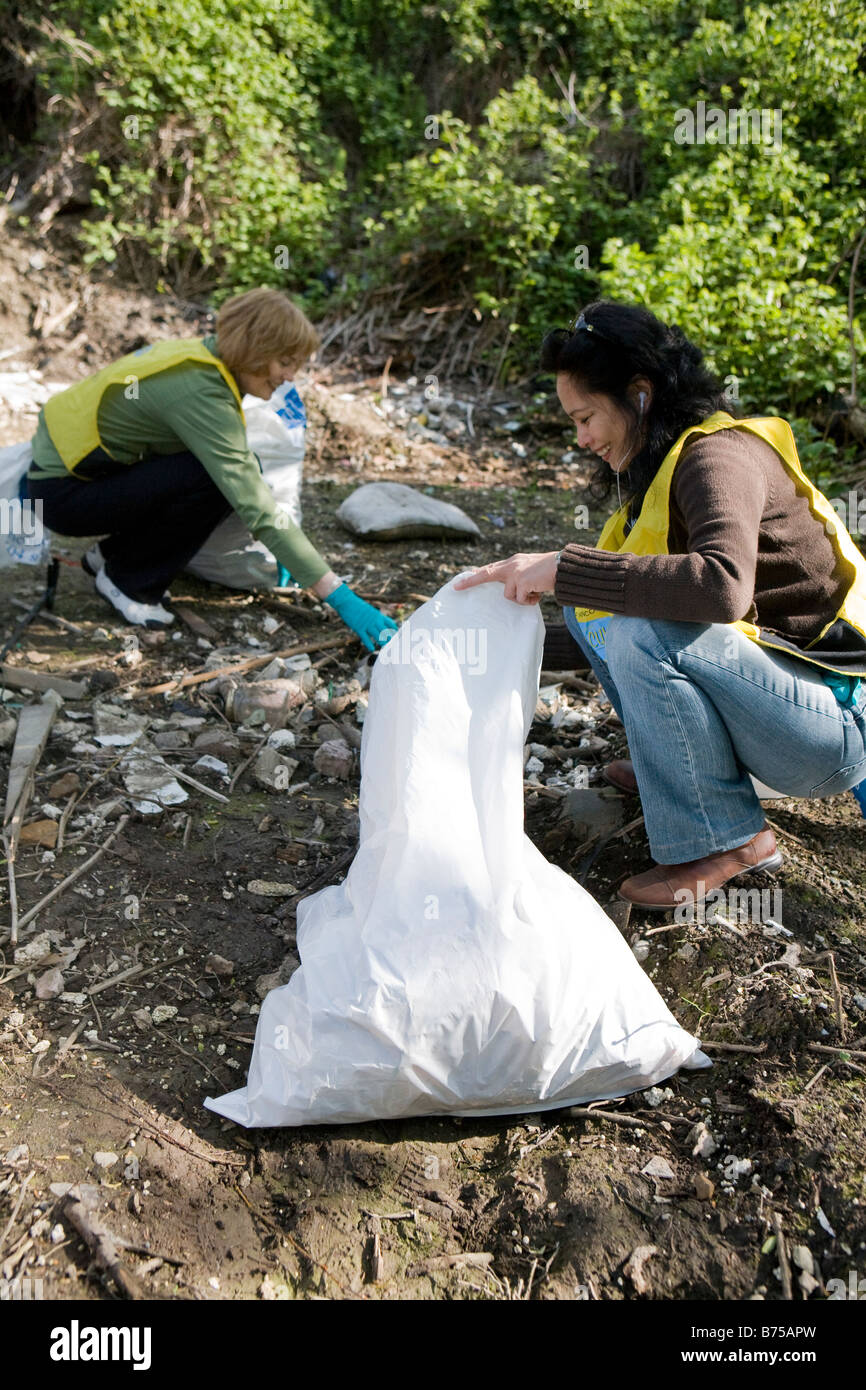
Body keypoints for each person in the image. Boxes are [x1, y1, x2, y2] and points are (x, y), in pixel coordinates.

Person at [455, 301, 866, 909]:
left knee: (634, 621)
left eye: (587, 417)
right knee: (593, 608)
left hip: (832, 725)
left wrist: (566, 568)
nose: (582, 438)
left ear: (640, 394)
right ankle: (674, 779)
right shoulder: (661, 470)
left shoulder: (716, 456)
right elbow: (613, 617)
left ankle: (727, 840)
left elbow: (721, 587)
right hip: (781, 703)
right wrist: (492, 644)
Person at [25, 288, 398, 651]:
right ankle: (127, 581)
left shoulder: (199, 358)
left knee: (221, 470)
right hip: (63, 494)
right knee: (216, 479)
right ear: (256, 351)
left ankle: (110, 557)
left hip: (81, 477)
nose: (289, 377)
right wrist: (340, 596)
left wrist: (292, 552)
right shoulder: (202, 392)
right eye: (284, 363)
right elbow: (255, 504)